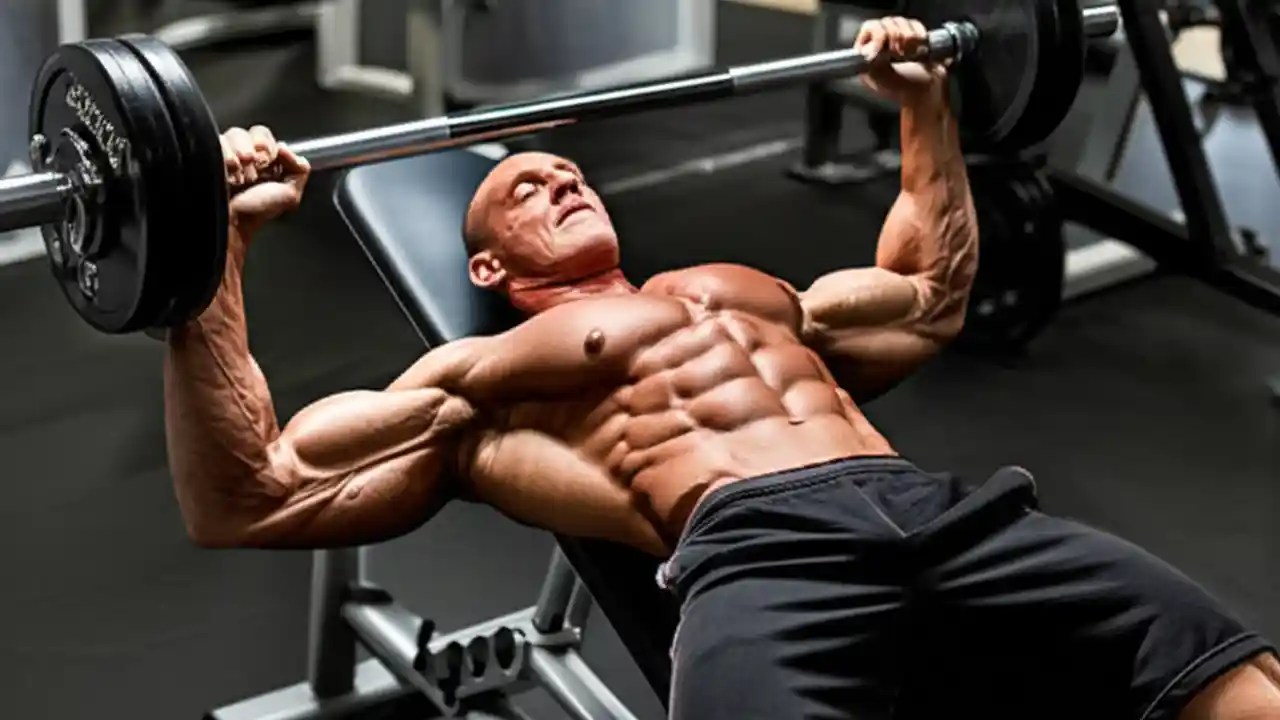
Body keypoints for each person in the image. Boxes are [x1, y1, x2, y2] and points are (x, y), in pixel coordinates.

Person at [164, 17, 1280, 720]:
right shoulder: (485, 375)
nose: (560, 180)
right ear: (488, 263)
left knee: (1232, 676)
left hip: (935, 509)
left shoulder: (751, 295)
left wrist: (925, 104)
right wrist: (219, 247)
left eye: (567, 171)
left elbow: (931, 296)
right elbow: (249, 490)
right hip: (754, 549)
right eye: (525, 189)